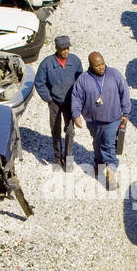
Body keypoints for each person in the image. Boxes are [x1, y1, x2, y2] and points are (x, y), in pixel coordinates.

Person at [71, 51, 130, 189]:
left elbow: (124, 92)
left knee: (109, 144)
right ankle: (98, 164)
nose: (101, 67)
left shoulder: (114, 74)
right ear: (90, 65)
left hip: (112, 118)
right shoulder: (83, 79)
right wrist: (76, 115)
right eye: (97, 65)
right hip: (93, 120)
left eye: (102, 63)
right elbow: (76, 97)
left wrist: (126, 112)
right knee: (97, 143)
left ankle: (111, 170)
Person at [34, 35, 83, 170]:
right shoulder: (47, 63)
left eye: (67, 48)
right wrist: (49, 99)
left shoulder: (75, 61)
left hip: (70, 102)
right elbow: (39, 83)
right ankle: (57, 158)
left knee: (70, 131)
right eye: (63, 49)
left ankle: (68, 159)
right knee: (55, 130)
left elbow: (80, 81)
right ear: (56, 48)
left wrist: (78, 99)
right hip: (54, 102)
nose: (66, 51)